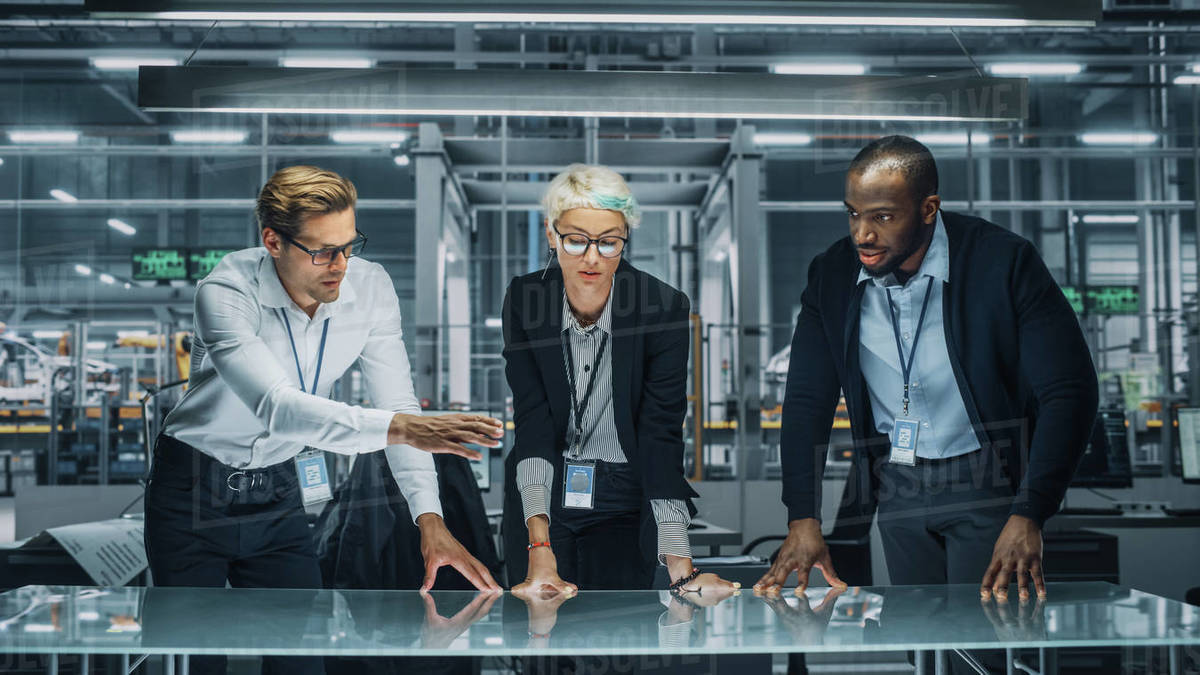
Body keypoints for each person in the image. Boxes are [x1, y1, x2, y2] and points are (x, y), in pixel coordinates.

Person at [146, 165, 503, 675]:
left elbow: (397, 400)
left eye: (349, 246)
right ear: (273, 241)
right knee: (193, 658)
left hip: (277, 489)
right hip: (193, 488)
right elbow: (277, 407)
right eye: (322, 251)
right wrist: (403, 426)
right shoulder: (226, 291)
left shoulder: (370, 288)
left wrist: (429, 519)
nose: (340, 265)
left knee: (302, 660)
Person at [755, 136, 1098, 604]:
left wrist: (1031, 511)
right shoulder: (831, 275)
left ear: (928, 209)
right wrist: (802, 519)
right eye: (853, 214)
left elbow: (1070, 391)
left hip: (988, 478)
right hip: (898, 481)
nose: (862, 234)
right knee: (915, 629)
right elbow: (805, 401)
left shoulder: (1002, 262)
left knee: (988, 631)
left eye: (883, 217)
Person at [501, 164, 737, 600]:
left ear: (625, 236)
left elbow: (660, 433)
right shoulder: (525, 299)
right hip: (542, 489)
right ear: (551, 234)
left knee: (617, 626)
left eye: (609, 242)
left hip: (624, 497)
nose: (592, 258)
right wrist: (539, 543)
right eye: (576, 240)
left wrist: (681, 567)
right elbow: (532, 420)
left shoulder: (661, 307)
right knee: (538, 625)